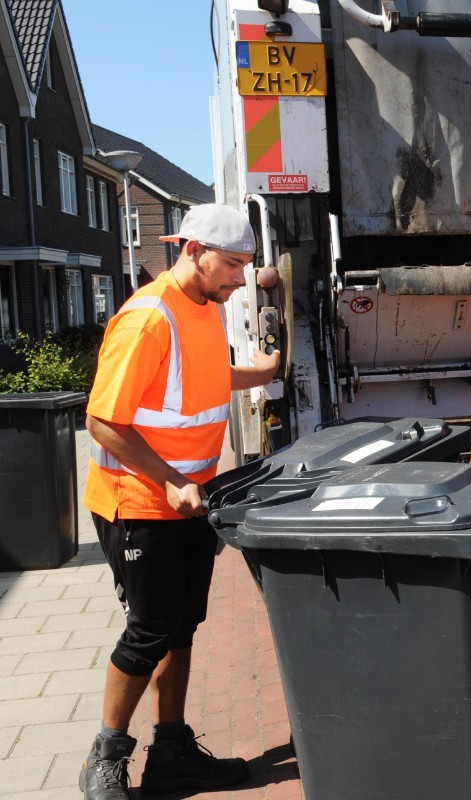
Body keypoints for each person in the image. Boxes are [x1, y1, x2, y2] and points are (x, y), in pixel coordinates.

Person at [80, 204, 281, 800]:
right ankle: (106, 757)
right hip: (138, 501)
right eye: (232, 265)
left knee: (182, 627)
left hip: (192, 501)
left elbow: (200, 376)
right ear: (191, 250)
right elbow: (102, 420)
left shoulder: (203, 307)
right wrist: (169, 480)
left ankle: (171, 753)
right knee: (149, 630)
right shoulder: (147, 318)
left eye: (247, 265)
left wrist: (258, 372)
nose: (240, 278)